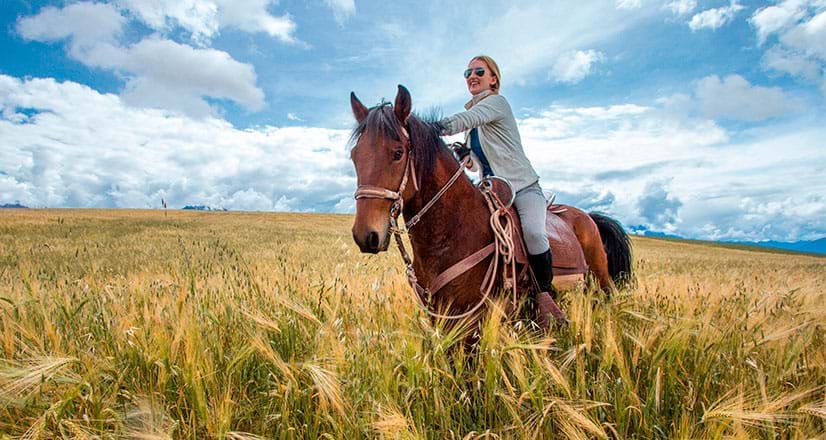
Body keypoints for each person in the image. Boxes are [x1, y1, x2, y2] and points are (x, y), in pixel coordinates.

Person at [440, 55, 566, 327]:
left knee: (533, 232)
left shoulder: (495, 103)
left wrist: (434, 128)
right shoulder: (476, 122)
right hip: (492, 190)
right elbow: (478, 163)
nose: (472, 76)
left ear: (493, 78)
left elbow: (467, 118)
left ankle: (544, 294)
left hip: (522, 187)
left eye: (479, 71)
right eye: (467, 72)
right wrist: (466, 154)